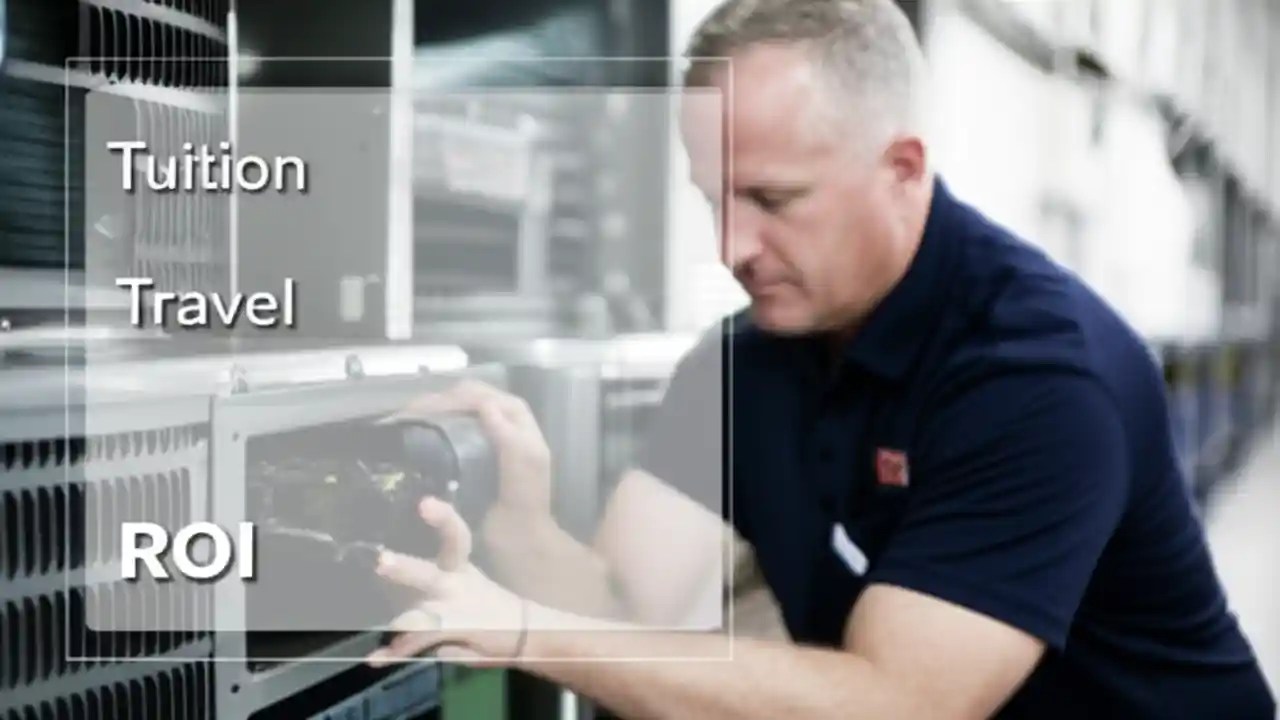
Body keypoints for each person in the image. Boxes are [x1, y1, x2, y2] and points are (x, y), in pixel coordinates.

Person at [367, 0, 1278, 718]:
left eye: (772, 198)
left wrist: (525, 633)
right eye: (712, 198)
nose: (732, 246)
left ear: (903, 168)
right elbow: (629, 610)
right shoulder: (746, 359)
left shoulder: (1037, 373)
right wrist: (523, 525)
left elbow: (899, 703)